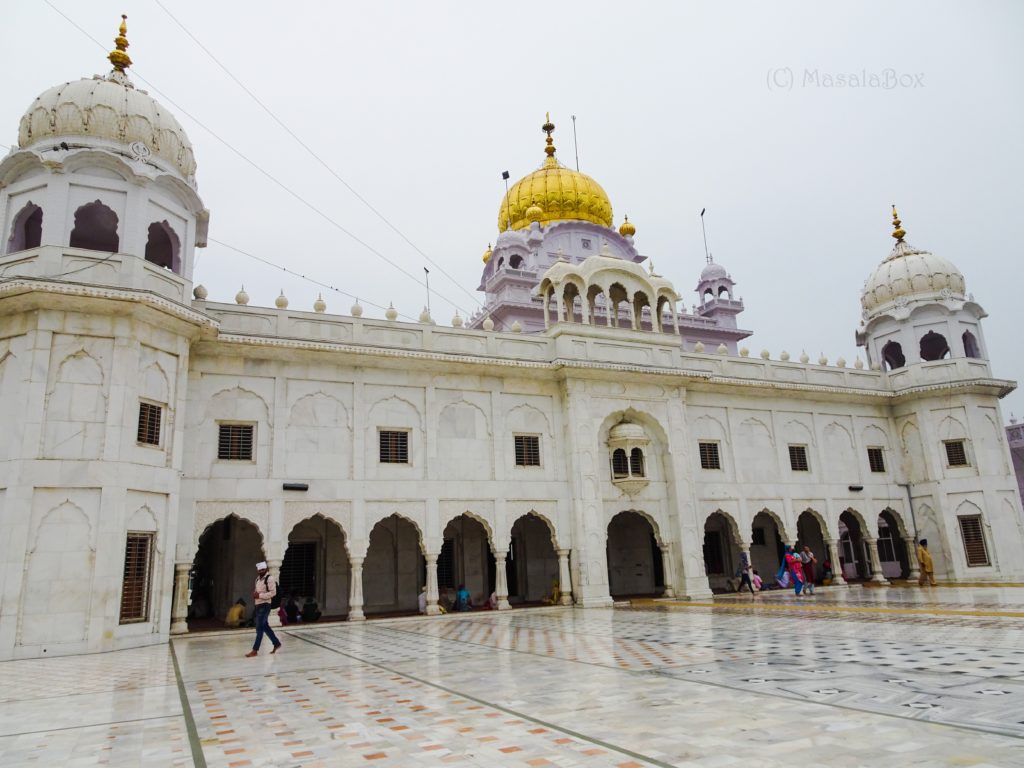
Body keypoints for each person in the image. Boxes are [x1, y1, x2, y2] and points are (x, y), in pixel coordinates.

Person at [245, 561, 281, 657]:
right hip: (258, 605)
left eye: (263, 569)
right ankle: (276, 643)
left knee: (259, 627)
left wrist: (259, 595)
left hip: (265, 605)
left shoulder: (270, 579)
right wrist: (255, 594)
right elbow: (257, 591)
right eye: (259, 570)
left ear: (266, 569)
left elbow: (273, 593)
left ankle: (255, 650)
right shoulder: (257, 579)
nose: (261, 571)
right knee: (264, 626)